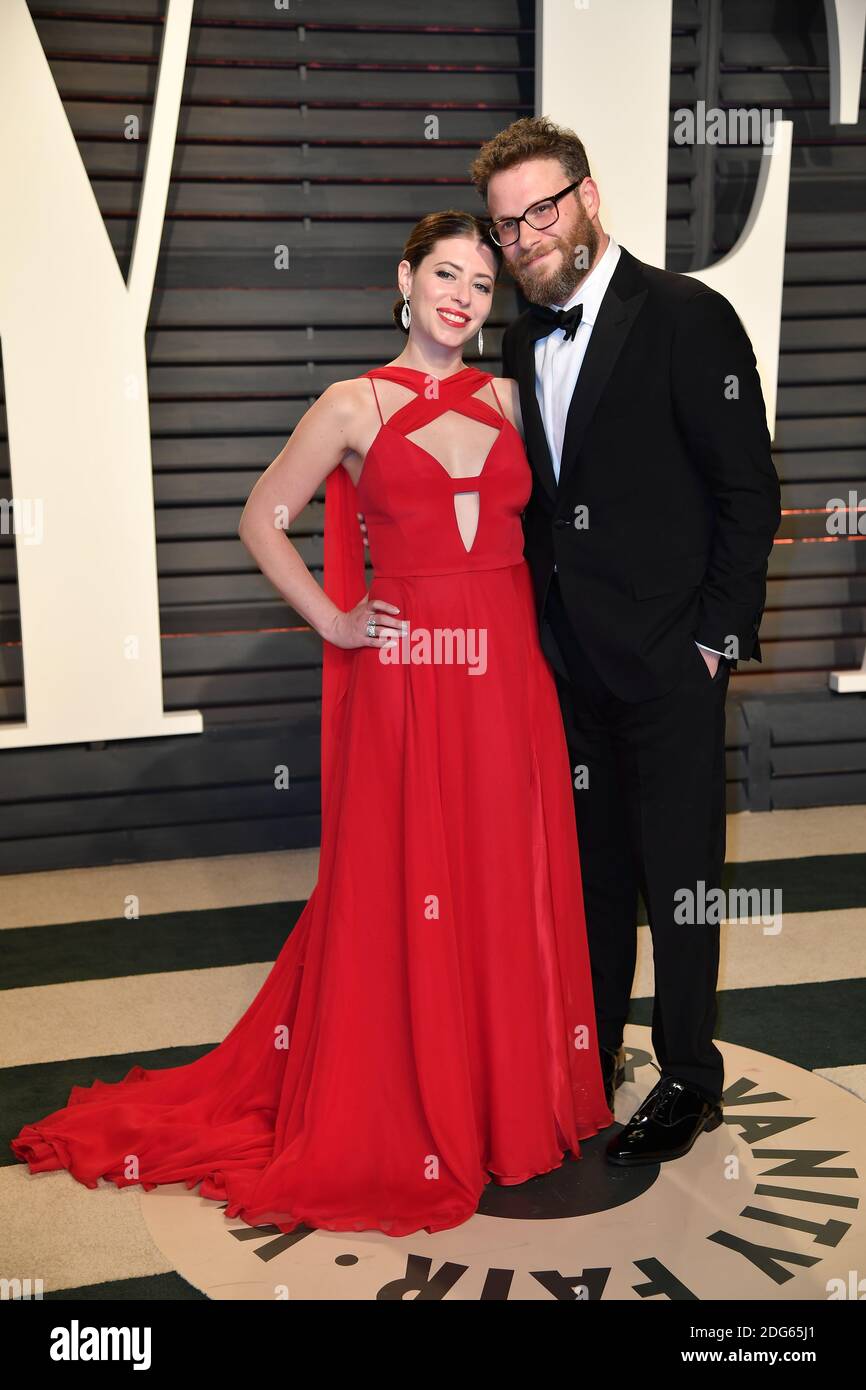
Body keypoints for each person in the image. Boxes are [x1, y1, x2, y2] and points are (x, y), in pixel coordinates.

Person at [11, 210, 613, 1238]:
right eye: (444, 274)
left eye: (479, 279)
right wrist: (336, 619)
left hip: (508, 682)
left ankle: (507, 1101)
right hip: (411, 684)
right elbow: (260, 515)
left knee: (502, 878)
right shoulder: (349, 403)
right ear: (405, 278)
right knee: (407, 884)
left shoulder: (515, 395)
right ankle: (412, 1106)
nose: (462, 295)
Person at [464, 116, 782, 1166]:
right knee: (590, 880)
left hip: (670, 666)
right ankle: (585, 1059)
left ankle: (689, 1075)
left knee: (680, 876)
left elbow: (746, 489)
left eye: (540, 211)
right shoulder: (518, 338)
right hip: (568, 666)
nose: (524, 239)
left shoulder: (687, 317)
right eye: (506, 227)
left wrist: (715, 641)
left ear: (588, 199)